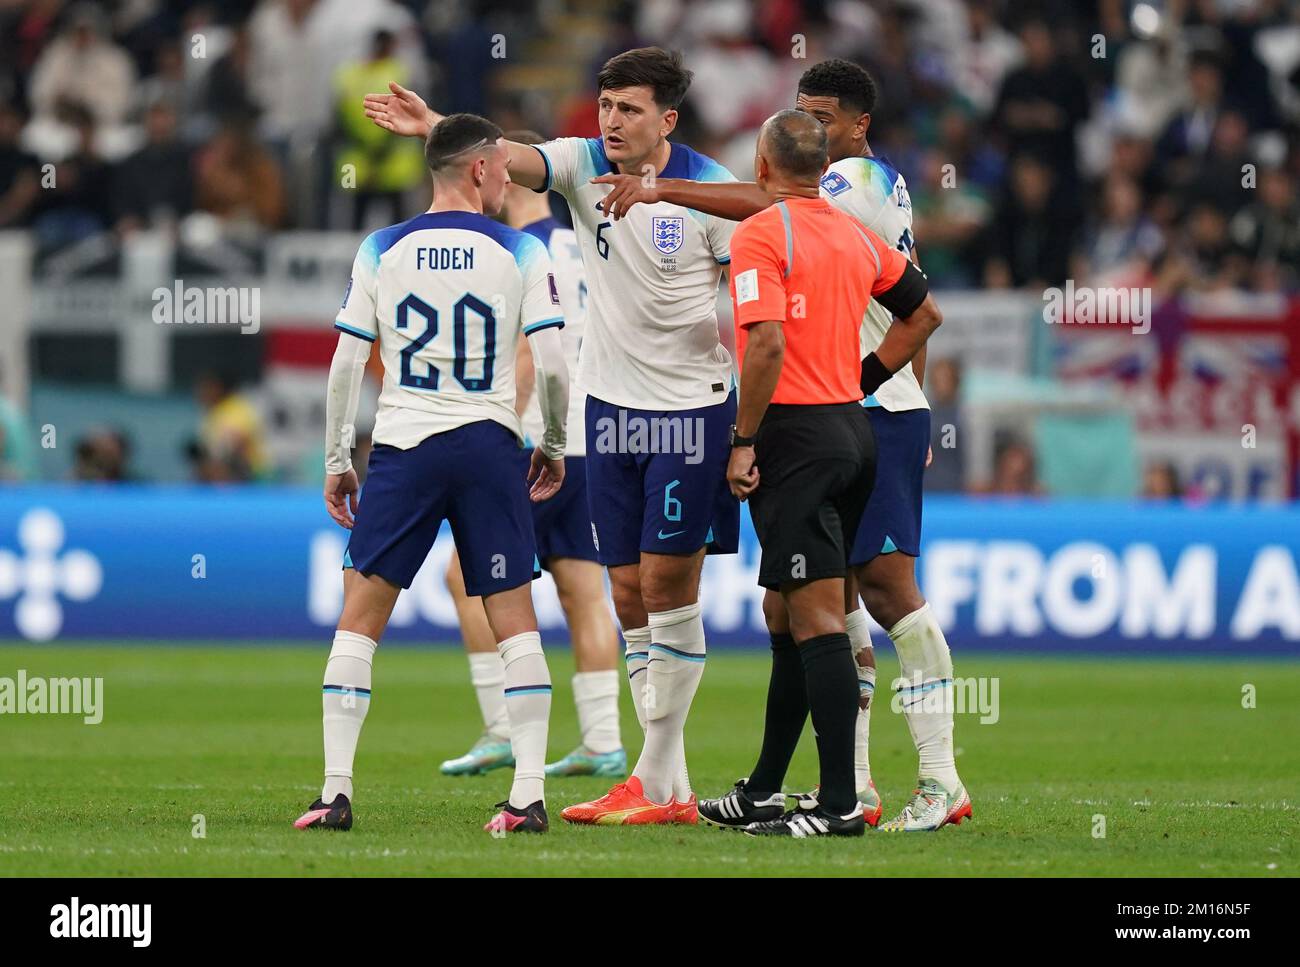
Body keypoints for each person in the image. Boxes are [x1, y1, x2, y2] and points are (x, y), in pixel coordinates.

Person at [586, 58, 971, 831]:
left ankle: (935, 777)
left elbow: (769, 206)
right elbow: (913, 301)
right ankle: (834, 783)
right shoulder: (872, 188)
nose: (813, 130)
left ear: (858, 127)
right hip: (862, 409)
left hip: (835, 413)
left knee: (880, 593)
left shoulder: (842, 185)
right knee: (797, 606)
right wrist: (894, 386)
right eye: (802, 114)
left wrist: (658, 187)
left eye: (823, 116)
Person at [363, 47, 740, 826]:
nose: (611, 121)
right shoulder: (579, 166)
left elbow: (757, 281)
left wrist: (756, 422)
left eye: (630, 108)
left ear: (667, 118)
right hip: (607, 410)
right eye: (605, 105)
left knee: (672, 589)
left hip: (692, 411)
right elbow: (503, 153)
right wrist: (434, 123)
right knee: (625, 589)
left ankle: (655, 776)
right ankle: (659, 780)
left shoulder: (709, 190)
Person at [294, 113, 570, 836]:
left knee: (359, 620)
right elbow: (556, 358)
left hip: (405, 446)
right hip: (488, 443)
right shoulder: (520, 248)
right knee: (515, 621)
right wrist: (554, 442)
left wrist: (334, 460)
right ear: (478, 170)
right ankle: (529, 795)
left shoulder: (382, 247)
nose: (509, 176)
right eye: (503, 165)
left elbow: (347, 362)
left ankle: (335, 792)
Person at [702, 110, 940, 837]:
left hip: (794, 436)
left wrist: (743, 440)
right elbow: (923, 313)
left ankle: (839, 803)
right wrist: (862, 376)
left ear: (763, 168)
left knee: (815, 618)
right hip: (853, 428)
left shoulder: (760, 234)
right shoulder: (854, 235)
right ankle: (765, 788)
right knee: (787, 609)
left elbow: (766, 342)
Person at [440, 130, 625, 782]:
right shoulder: (584, 245)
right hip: (591, 436)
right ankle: (603, 740)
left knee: (464, 577)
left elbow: (525, 352)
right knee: (583, 591)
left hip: (534, 440)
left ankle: (499, 729)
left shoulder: (518, 252)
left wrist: (499, 427)